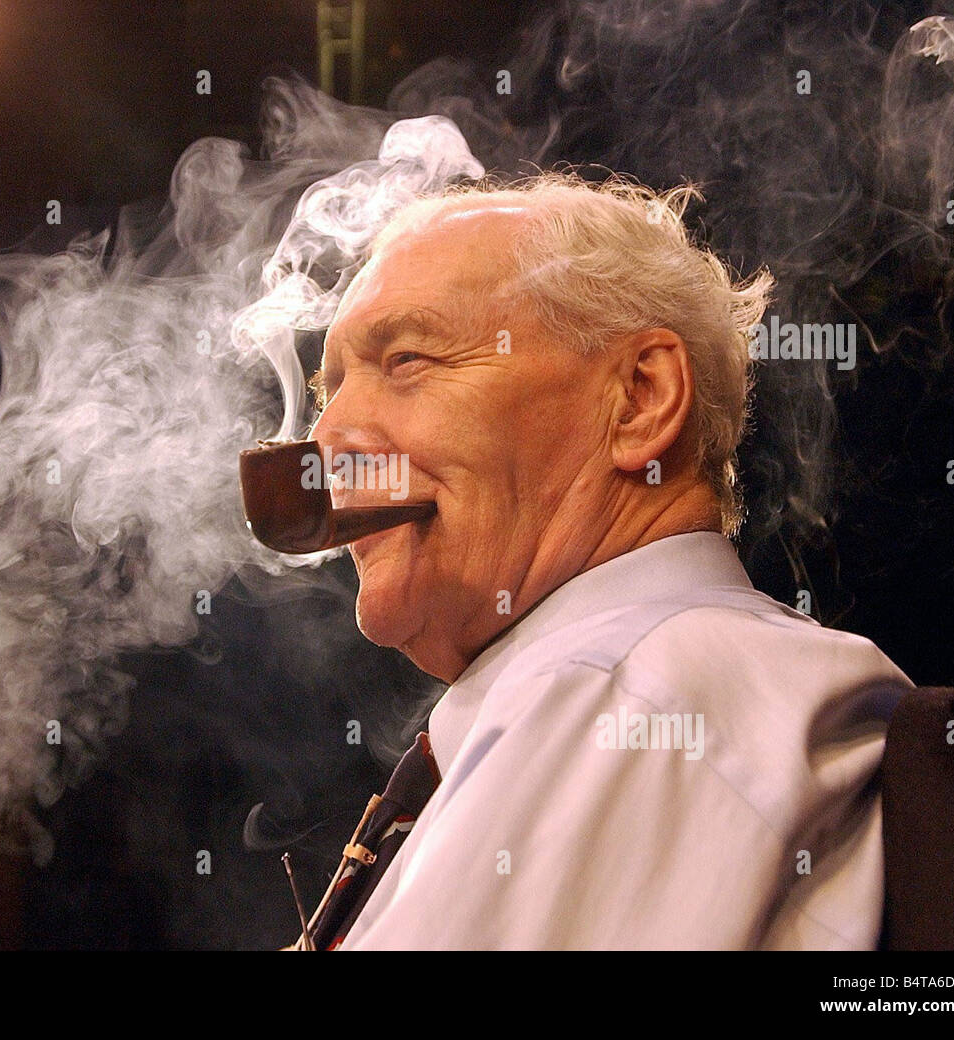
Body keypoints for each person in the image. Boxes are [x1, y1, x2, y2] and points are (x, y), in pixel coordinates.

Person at [304, 172, 912, 949]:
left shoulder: (626, 689)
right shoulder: (648, 681)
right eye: (329, 391)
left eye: (409, 359)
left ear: (640, 398)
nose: (326, 444)